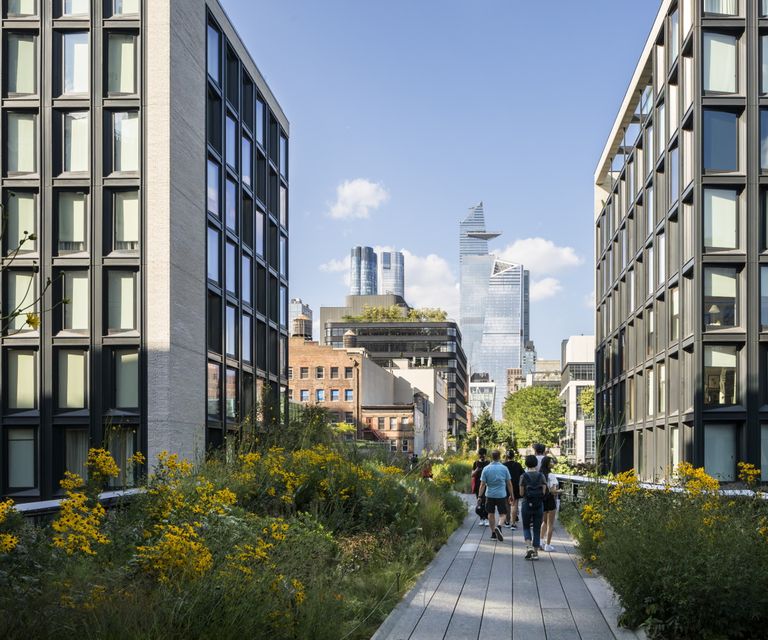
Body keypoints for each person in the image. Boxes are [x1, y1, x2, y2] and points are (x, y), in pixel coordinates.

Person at [478, 450, 514, 542]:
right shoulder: (504, 468)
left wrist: (479, 496)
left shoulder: (486, 469)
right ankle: (499, 526)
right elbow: (509, 483)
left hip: (489, 495)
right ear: (499, 457)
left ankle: (493, 534)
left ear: (491, 457)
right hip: (501, 495)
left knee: (490, 514)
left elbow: (482, 484)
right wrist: (511, 495)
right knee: (503, 514)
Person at [519, 454, 548, 560]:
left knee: (526, 527)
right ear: (536, 463)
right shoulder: (541, 476)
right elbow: (544, 492)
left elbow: (521, 493)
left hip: (527, 504)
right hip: (539, 505)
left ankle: (529, 546)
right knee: (536, 529)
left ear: (526, 463)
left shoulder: (523, 476)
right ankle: (535, 553)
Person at [539, 456, 560, 552]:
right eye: (551, 462)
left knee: (544, 522)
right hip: (550, 500)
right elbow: (553, 491)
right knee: (550, 524)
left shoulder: (539, 474)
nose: (553, 463)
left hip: (542, 500)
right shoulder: (551, 476)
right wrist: (559, 491)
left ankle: (540, 541)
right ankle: (548, 545)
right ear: (547, 464)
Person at [502, 450, 523, 529]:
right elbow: (522, 475)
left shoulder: (503, 465)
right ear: (514, 456)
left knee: (507, 505)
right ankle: (513, 524)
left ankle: (507, 522)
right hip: (516, 487)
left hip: (506, 486)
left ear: (506, 456)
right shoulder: (518, 465)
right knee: (514, 505)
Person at [471, 448, 490, 526]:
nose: (481, 456)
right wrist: (477, 469)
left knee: (486, 502)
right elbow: (472, 475)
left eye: (483, 455)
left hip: (486, 485)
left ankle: (486, 518)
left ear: (485, 455)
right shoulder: (476, 463)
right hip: (478, 485)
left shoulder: (488, 463)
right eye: (480, 455)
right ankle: (481, 518)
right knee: (479, 502)